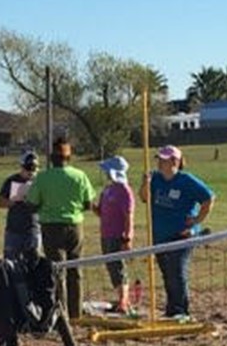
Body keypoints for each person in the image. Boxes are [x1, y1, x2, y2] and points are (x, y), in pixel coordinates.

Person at [141, 145, 215, 321]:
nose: (160, 163)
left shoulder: (186, 181)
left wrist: (197, 220)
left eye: (164, 159)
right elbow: (144, 198)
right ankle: (172, 308)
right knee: (167, 273)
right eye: (159, 159)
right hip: (160, 235)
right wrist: (146, 183)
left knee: (177, 271)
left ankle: (181, 310)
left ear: (175, 161)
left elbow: (209, 198)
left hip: (182, 234)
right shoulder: (155, 178)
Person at [27, 135, 97, 316]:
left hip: (51, 228)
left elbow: (32, 204)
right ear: (69, 157)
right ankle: (75, 312)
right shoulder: (80, 176)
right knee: (76, 269)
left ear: (52, 157)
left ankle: (61, 312)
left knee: (57, 271)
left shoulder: (43, 178)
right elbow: (89, 204)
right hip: (75, 226)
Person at [97, 155, 136, 314]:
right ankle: (122, 299)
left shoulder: (124, 191)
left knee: (118, 268)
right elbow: (101, 212)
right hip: (106, 233)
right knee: (111, 267)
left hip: (117, 235)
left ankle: (123, 301)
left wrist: (128, 237)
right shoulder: (107, 190)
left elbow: (129, 216)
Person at [0, 150, 42, 260]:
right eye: (28, 168)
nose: (31, 172)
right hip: (13, 231)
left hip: (33, 229)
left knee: (33, 262)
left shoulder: (40, 182)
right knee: (10, 262)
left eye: (34, 169)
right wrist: (14, 201)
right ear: (21, 167)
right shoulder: (11, 181)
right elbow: (0, 202)